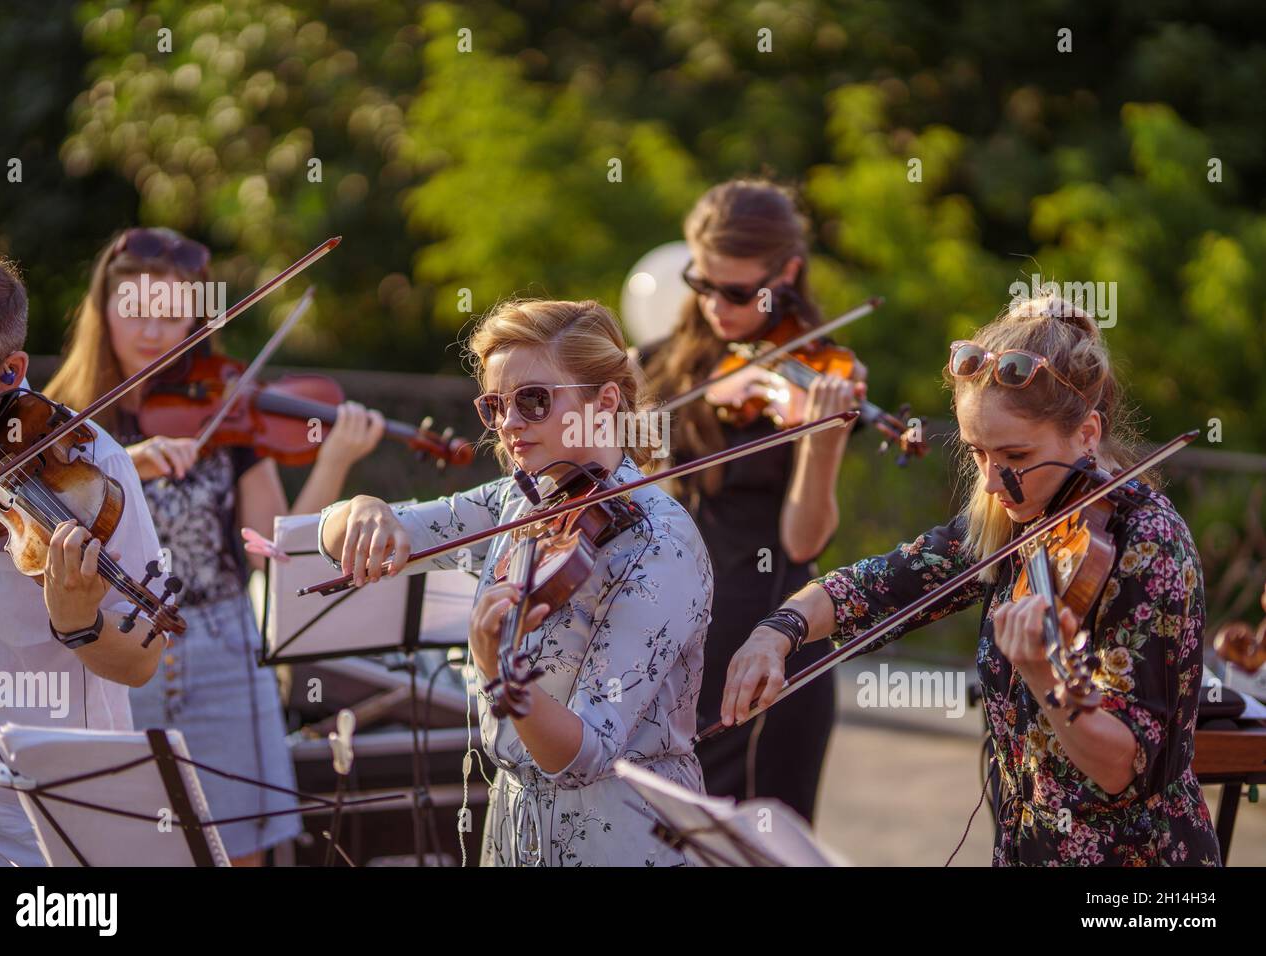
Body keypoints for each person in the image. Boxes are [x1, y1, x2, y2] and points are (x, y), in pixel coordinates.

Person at [722, 296, 1222, 866]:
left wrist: (1041, 673)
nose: (991, 482)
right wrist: (780, 629)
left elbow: (1122, 769)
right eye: (978, 453)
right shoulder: (1017, 515)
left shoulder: (1148, 541)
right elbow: (889, 581)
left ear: (1087, 433)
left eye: (1014, 453)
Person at [319, 299, 713, 866]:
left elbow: (586, 753)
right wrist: (361, 509)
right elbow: (343, 534)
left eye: (533, 400)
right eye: (494, 405)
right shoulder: (518, 500)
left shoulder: (660, 543)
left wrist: (496, 671)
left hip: (621, 841)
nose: (508, 424)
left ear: (603, 402)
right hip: (514, 830)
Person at [45, 227, 386, 865]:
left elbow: (273, 552)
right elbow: (40, 538)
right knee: (129, 851)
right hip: (115, 650)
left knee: (240, 851)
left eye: (172, 314)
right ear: (104, 311)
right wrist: (127, 467)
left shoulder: (223, 408)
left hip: (225, 651)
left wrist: (334, 461)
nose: (153, 331)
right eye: (136, 310)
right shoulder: (63, 423)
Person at [642, 179, 861, 821]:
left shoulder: (816, 375)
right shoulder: (660, 366)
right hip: (672, 649)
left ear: (786, 272)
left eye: (737, 292)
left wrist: (821, 446)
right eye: (702, 283)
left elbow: (803, 543)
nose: (716, 306)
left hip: (768, 652)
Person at [0, 250, 164, 866]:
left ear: (10, 370)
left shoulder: (91, 470)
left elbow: (145, 658)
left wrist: (80, 623)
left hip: (53, 837)